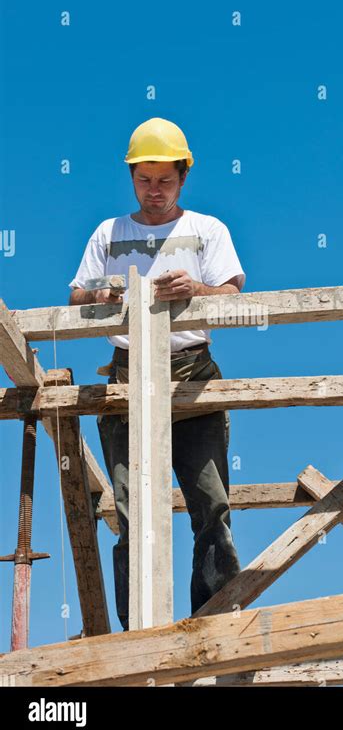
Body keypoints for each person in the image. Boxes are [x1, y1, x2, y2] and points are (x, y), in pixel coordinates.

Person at [68, 117, 245, 629]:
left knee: (211, 508)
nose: (154, 191)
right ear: (131, 178)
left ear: (183, 178)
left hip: (193, 377)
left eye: (165, 180)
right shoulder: (110, 232)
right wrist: (100, 294)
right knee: (132, 515)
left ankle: (211, 627)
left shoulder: (206, 230)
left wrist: (197, 291)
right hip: (126, 381)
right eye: (144, 180)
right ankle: (137, 636)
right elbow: (77, 296)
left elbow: (232, 298)